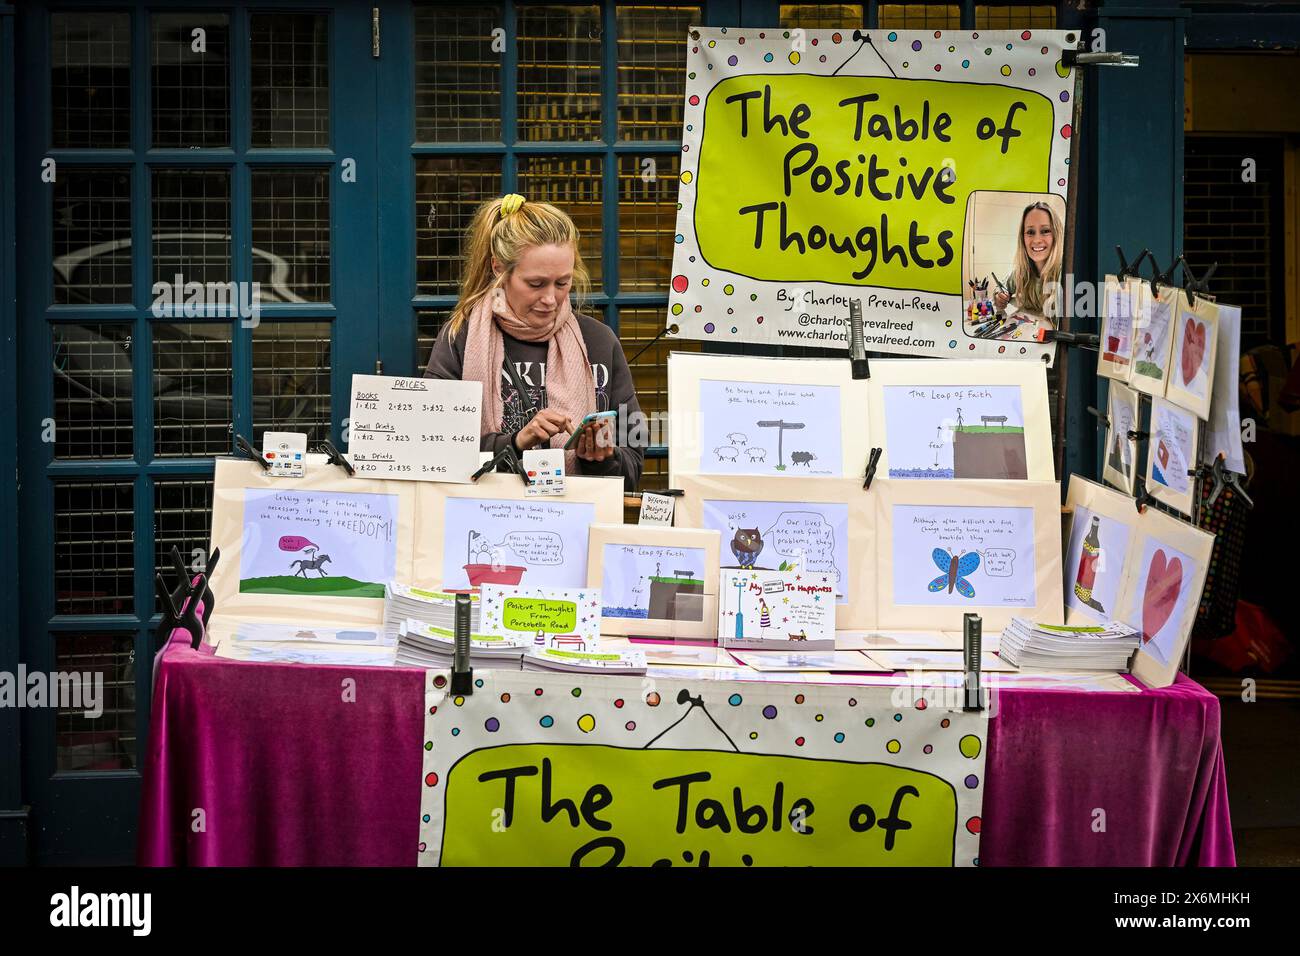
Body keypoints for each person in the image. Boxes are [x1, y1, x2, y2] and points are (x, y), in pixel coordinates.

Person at [424, 194, 645, 490]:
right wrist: (516, 442)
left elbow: (633, 466)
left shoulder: (598, 341)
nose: (550, 298)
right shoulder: (460, 338)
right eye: (536, 284)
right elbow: (432, 450)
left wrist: (603, 457)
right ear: (499, 269)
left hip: (578, 525)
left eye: (562, 283)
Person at [993, 200, 1063, 330]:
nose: (1036, 240)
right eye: (1030, 232)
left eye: (1045, 231)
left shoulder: (1064, 274)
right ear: (1022, 238)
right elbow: (1000, 287)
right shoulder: (1021, 271)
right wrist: (999, 295)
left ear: (1056, 235)